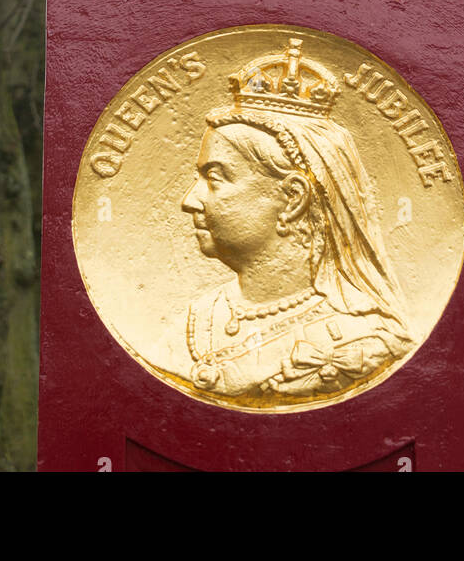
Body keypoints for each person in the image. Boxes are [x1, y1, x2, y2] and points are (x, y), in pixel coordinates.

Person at [167, 37, 414, 404]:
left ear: (294, 198)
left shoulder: (367, 338)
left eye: (215, 177)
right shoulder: (194, 322)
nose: (190, 201)